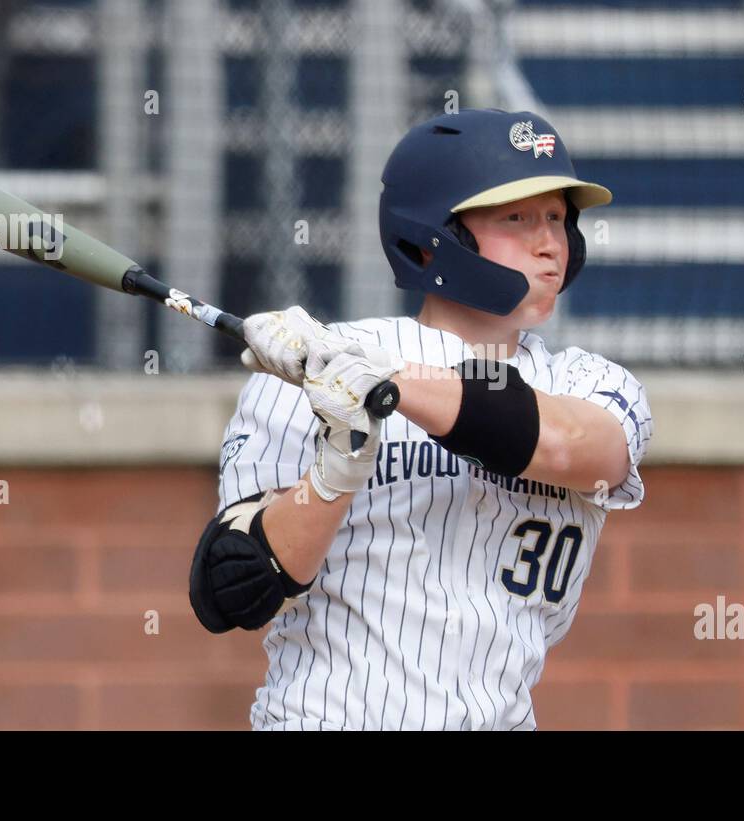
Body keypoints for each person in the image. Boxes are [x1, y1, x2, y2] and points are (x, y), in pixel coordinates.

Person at [189, 108, 653, 730]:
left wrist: (384, 382)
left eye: (558, 218)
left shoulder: (589, 383)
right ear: (439, 235)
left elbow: (568, 446)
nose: (550, 243)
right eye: (516, 218)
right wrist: (337, 466)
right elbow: (235, 589)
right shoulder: (311, 378)